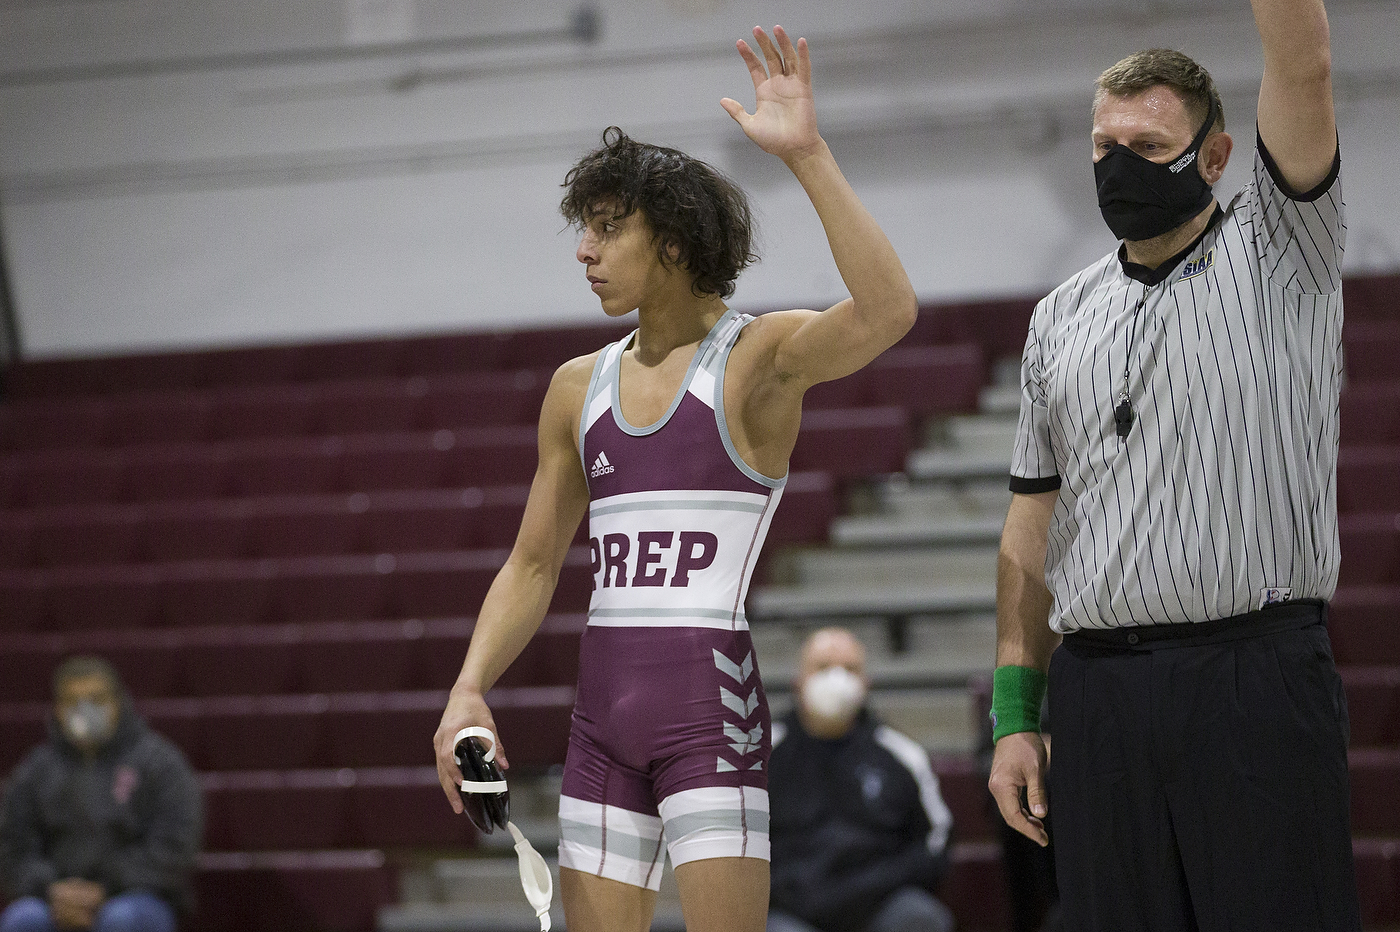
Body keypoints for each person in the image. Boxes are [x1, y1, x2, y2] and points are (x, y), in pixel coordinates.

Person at [432, 24, 918, 932]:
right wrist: (469, 685)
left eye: (609, 228)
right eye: (584, 228)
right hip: (598, 727)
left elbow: (889, 310)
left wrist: (807, 155)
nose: (584, 250)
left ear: (676, 244)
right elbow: (532, 564)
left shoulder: (758, 359)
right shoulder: (576, 387)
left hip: (709, 718)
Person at [988, 0, 1358, 930]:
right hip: (1099, 693)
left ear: (1216, 157)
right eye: (1104, 146)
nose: (1119, 166)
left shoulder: (1283, 249)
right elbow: (1029, 531)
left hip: (1254, 675)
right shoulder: (1058, 316)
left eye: (1149, 148)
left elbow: (1303, 63)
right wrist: (1015, 715)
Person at [766, 628, 954, 932]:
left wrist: (872, 885)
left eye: (850, 669)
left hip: (878, 904)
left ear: (866, 682)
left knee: (920, 919)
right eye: (823, 667)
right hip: (790, 910)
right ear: (798, 681)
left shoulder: (901, 754)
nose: (836, 678)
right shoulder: (762, 754)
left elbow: (934, 841)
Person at [0, 657, 202, 932]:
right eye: (72, 701)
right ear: (57, 708)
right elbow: (13, 848)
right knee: (22, 920)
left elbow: (174, 848)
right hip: (52, 899)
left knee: (121, 920)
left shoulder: (160, 764)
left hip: (137, 896)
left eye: (96, 699)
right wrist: (52, 890)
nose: (84, 710)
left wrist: (106, 887)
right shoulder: (34, 771)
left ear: (118, 702)